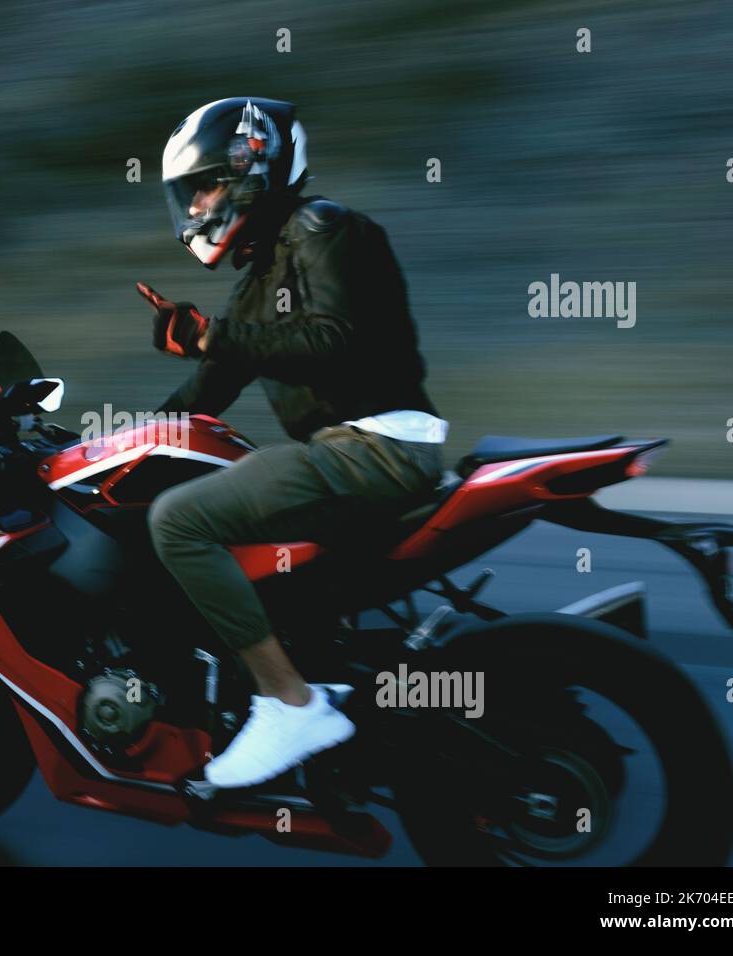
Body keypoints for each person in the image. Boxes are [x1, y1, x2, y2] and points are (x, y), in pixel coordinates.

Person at [141, 97, 448, 789]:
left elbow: (334, 340)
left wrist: (211, 335)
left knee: (181, 521)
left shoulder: (324, 228)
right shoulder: (262, 277)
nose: (197, 206)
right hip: (355, 453)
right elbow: (202, 397)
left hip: (379, 448)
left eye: (207, 185)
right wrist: (97, 446)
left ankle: (289, 704)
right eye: (190, 194)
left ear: (255, 168)